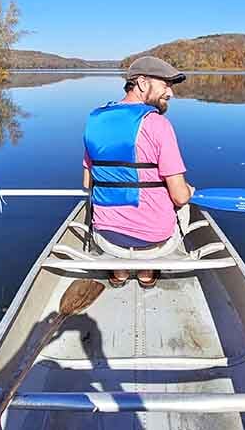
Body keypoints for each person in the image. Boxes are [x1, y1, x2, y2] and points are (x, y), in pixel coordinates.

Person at [82, 56, 194, 288]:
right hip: (155, 241)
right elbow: (180, 197)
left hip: (106, 238)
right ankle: (146, 273)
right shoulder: (158, 125)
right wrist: (189, 191)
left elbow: (87, 183)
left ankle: (119, 273)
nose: (170, 93)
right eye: (165, 85)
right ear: (142, 83)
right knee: (185, 198)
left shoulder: (94, 120)